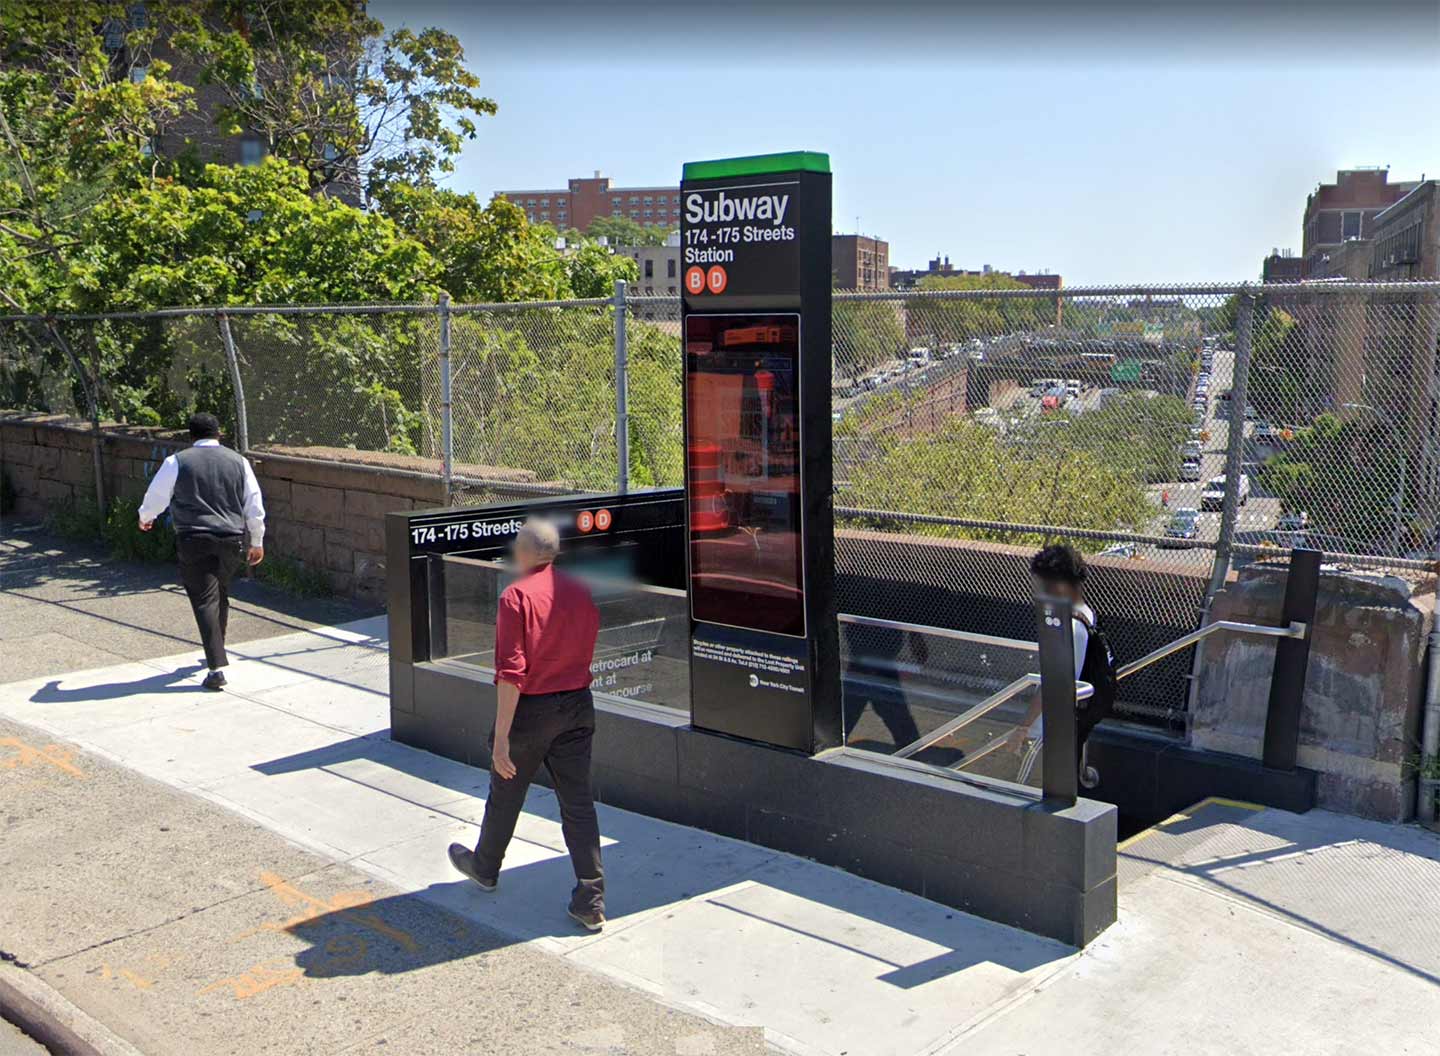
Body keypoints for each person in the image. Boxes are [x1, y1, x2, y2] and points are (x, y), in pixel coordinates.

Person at [448, 518, 606, 932]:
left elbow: (511, 673)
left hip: (533, 711)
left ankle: (485, 867)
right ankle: (590, 897)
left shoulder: (515, 597)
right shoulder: (580, 590)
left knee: (506, 791)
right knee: (578, 802)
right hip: (578, 704)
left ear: (528, 553)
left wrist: (501, 738)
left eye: (516, 544)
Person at [138, 413, 265, 691]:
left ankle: (216, 668)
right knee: (219, 594)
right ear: (219, 434)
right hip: (232, 538)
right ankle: (217, 648)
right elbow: (253, 504)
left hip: (194, 538)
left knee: (204, 599)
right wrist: (257, 540)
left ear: (191, 436)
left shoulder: (178, 461)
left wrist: (146, 517)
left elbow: (157, 495)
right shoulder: (239, 461)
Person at [1019, 544, 1116, 789]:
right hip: (1075, 721)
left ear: (1057, 585)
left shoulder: (1067, 627)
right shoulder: (1085, 613)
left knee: (1030, 787)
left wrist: (1022, 727)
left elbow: (1053, 684)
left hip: (1050, 731)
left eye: (1039, 584)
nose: (1036, 591)